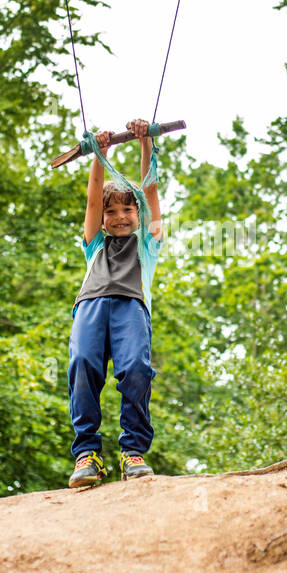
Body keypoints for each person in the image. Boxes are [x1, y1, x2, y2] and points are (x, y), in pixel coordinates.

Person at [67, 118, 165, 487]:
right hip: (90, 306)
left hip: (131, 307)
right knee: (83, 366)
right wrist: (100, 155)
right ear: (103, 220)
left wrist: (145, 145)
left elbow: (150, 192)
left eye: (128, 210)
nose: (120, 217)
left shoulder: (147, 244)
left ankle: (133, 451)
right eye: (112, 213)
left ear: (138, 215)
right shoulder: (95, 243)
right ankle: (87, 453)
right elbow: (93, 198)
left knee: (136, 369)